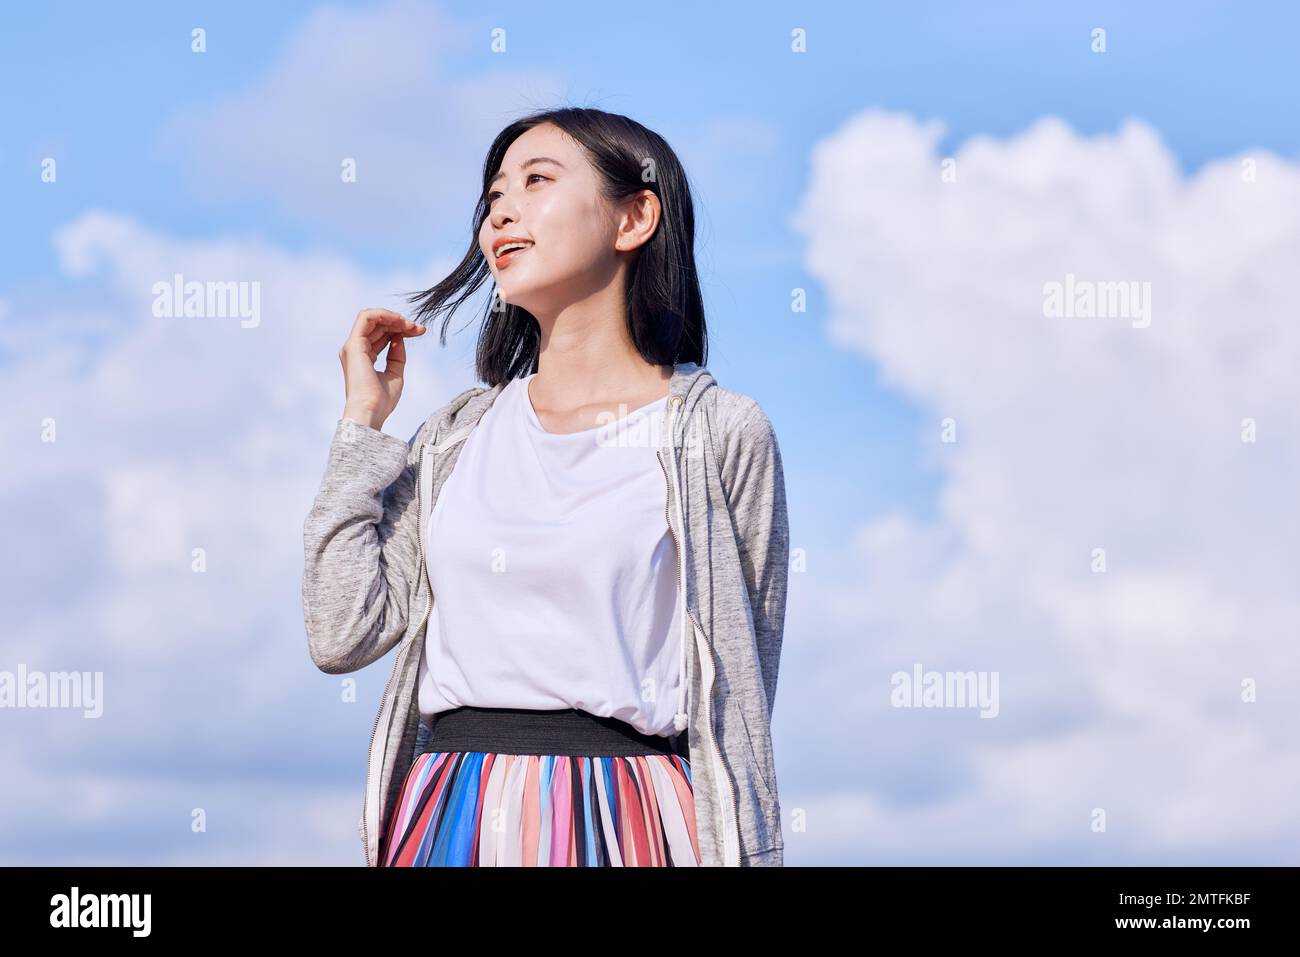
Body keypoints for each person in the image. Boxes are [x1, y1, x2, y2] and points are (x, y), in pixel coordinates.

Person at [303, 107, 789, 866]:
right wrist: (363, 429)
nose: (502, 209)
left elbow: (743, 686)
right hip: (451, 813)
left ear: (635, 217)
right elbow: (341, 633)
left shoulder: (719, 432)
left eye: (536, 181)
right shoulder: (454, 438)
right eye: (494, 194)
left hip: (633, 815)